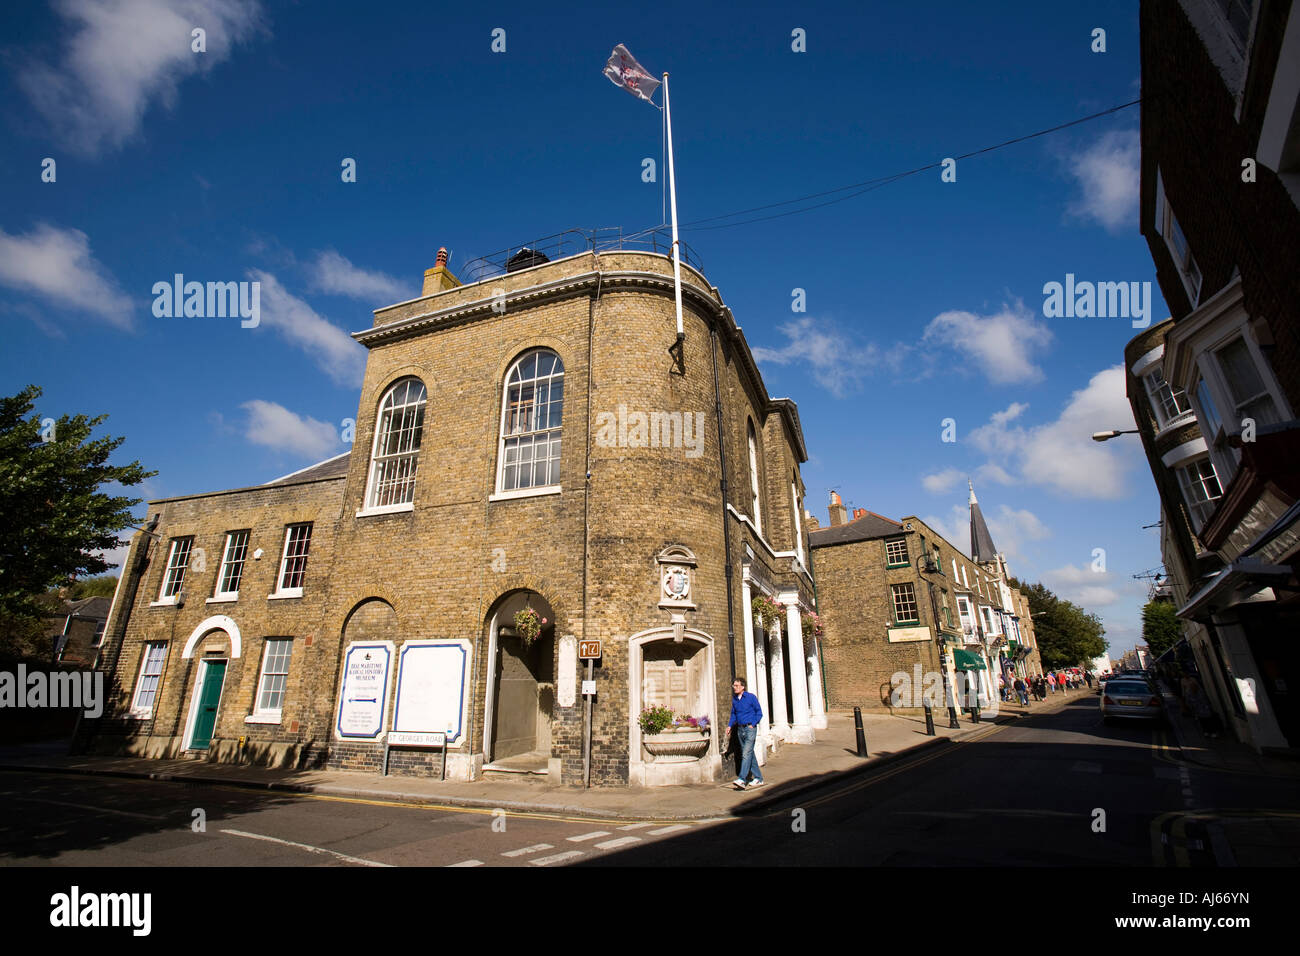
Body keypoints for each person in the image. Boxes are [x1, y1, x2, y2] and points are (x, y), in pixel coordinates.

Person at [725, 677, 765, 789]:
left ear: (743, 687)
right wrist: (729, 726)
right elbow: (733, 714)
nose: (734, 688)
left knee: (746, 753)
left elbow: (759, 712)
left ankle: (742, 779)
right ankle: (759, 778)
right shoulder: (735, 699)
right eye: (734, 685)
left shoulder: (751, 697)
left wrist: (753, 723)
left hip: (750, 728)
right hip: (740, 729)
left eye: (737, 686)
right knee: (749, 753)